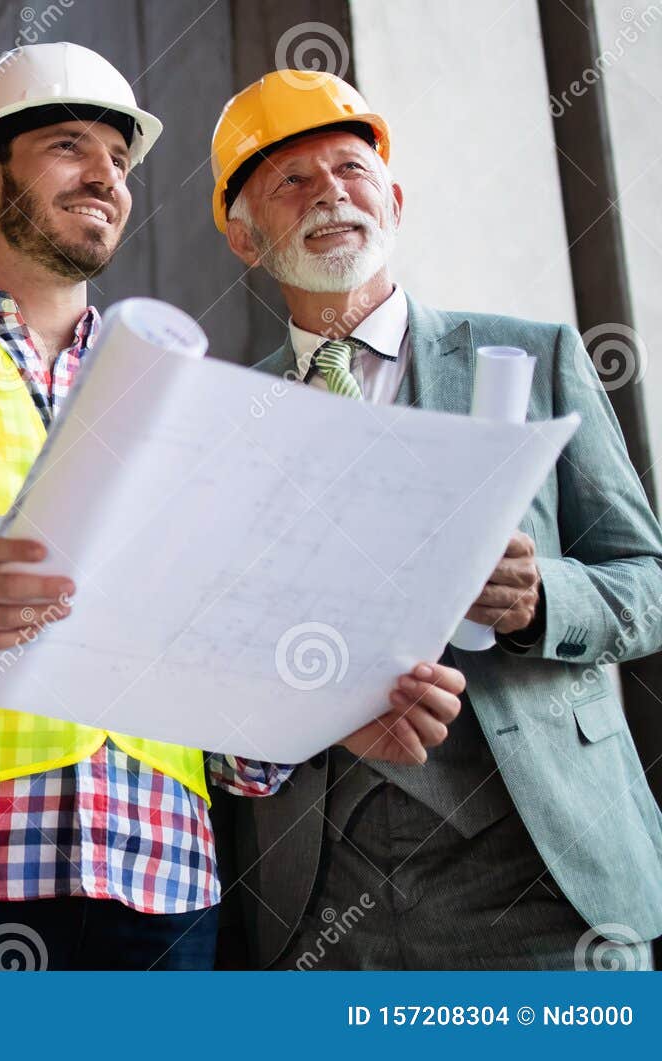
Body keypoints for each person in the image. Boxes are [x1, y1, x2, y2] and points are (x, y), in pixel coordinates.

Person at [0, 44, 464, 971]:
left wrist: (328, 709)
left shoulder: (193, 403)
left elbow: (229, 694)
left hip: (163, 878)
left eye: (119, 159)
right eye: (70, 146)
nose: (106, 175)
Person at [212, 68, 662, 970]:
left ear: (395, 200)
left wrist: (542, 599)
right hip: (325, 889)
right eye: (292, 180)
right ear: (245, 237)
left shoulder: (534, 357)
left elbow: (645, 585)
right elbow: (206, 651)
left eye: (351, 168)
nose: (331, 192)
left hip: (544, 876)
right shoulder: (225, 419)